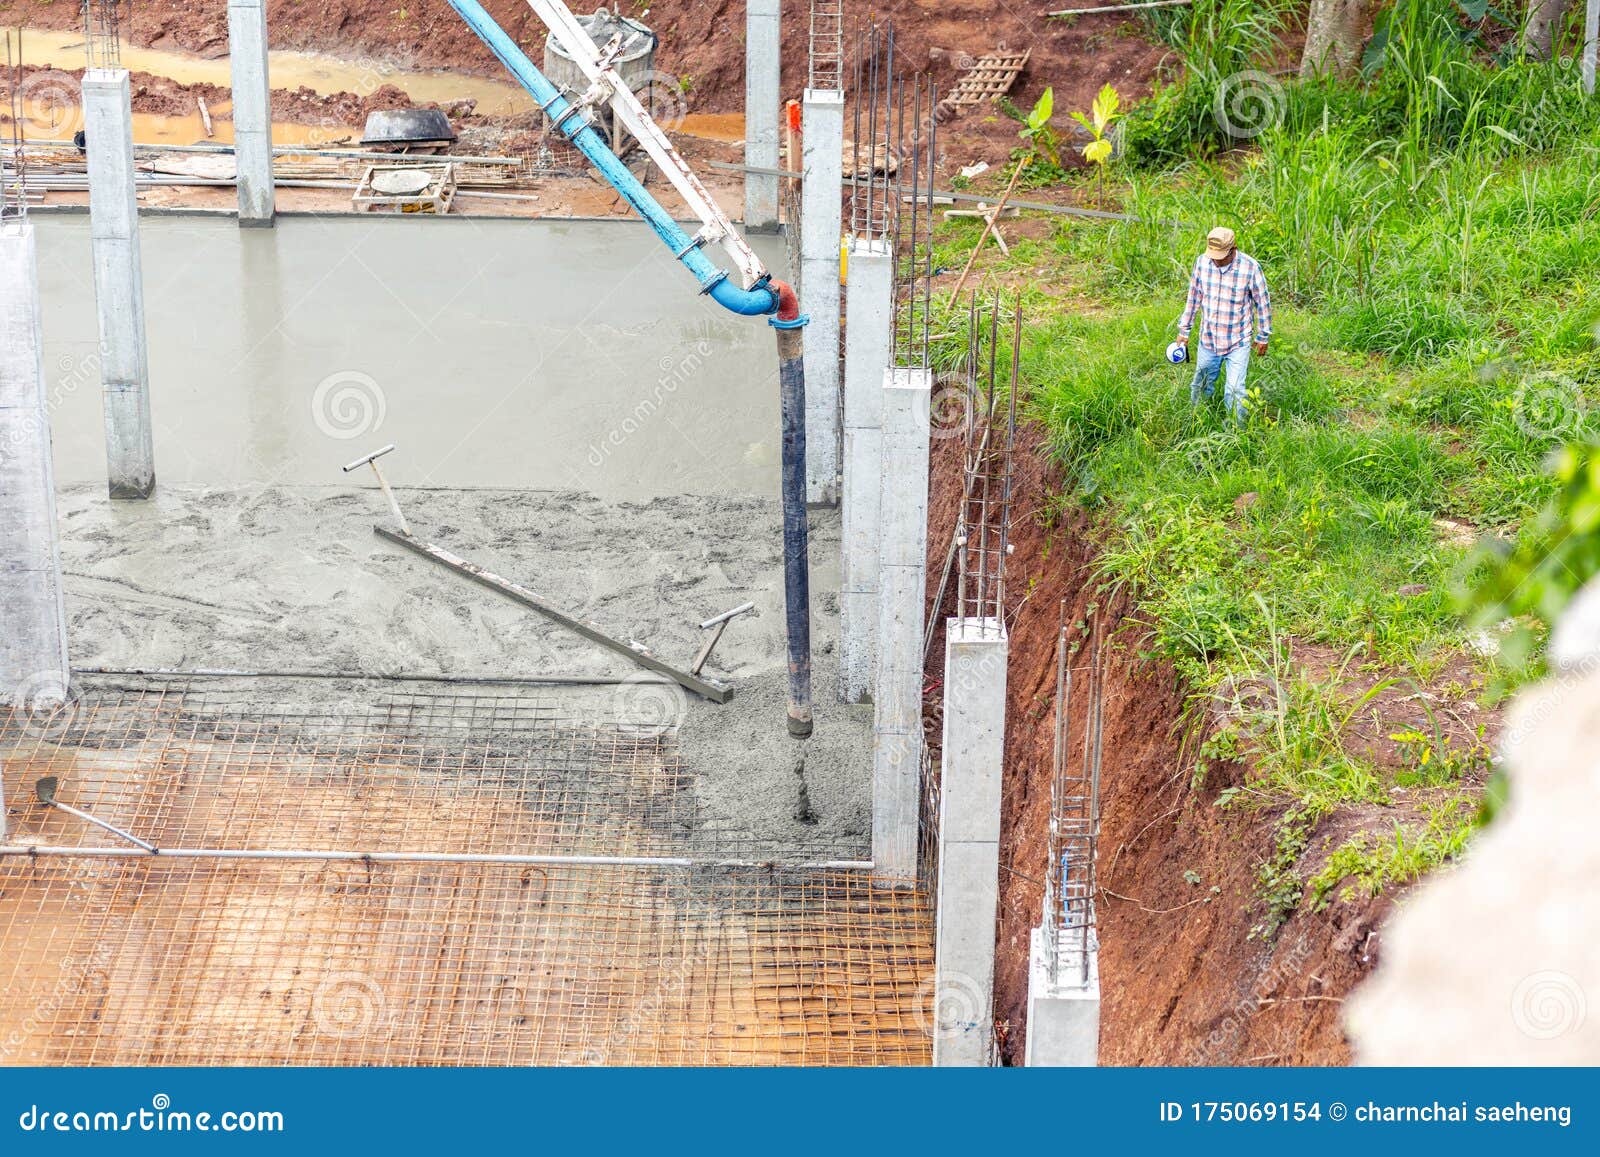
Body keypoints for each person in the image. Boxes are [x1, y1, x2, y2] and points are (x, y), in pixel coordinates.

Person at [1176, 226, 1271, 426]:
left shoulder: (1250, 268)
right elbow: (1193, 299)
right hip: (1208, 339)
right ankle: (1197, 422)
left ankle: (1237, 433)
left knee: (1235, 390)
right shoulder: (1202, 263)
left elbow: (1262, 303)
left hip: (1238, 340)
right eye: (1213, 255)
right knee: (1200, 384)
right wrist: (1184, 332)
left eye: (1220, 256)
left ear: (1233, 249)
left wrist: (1263, 336)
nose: (1216, 260)